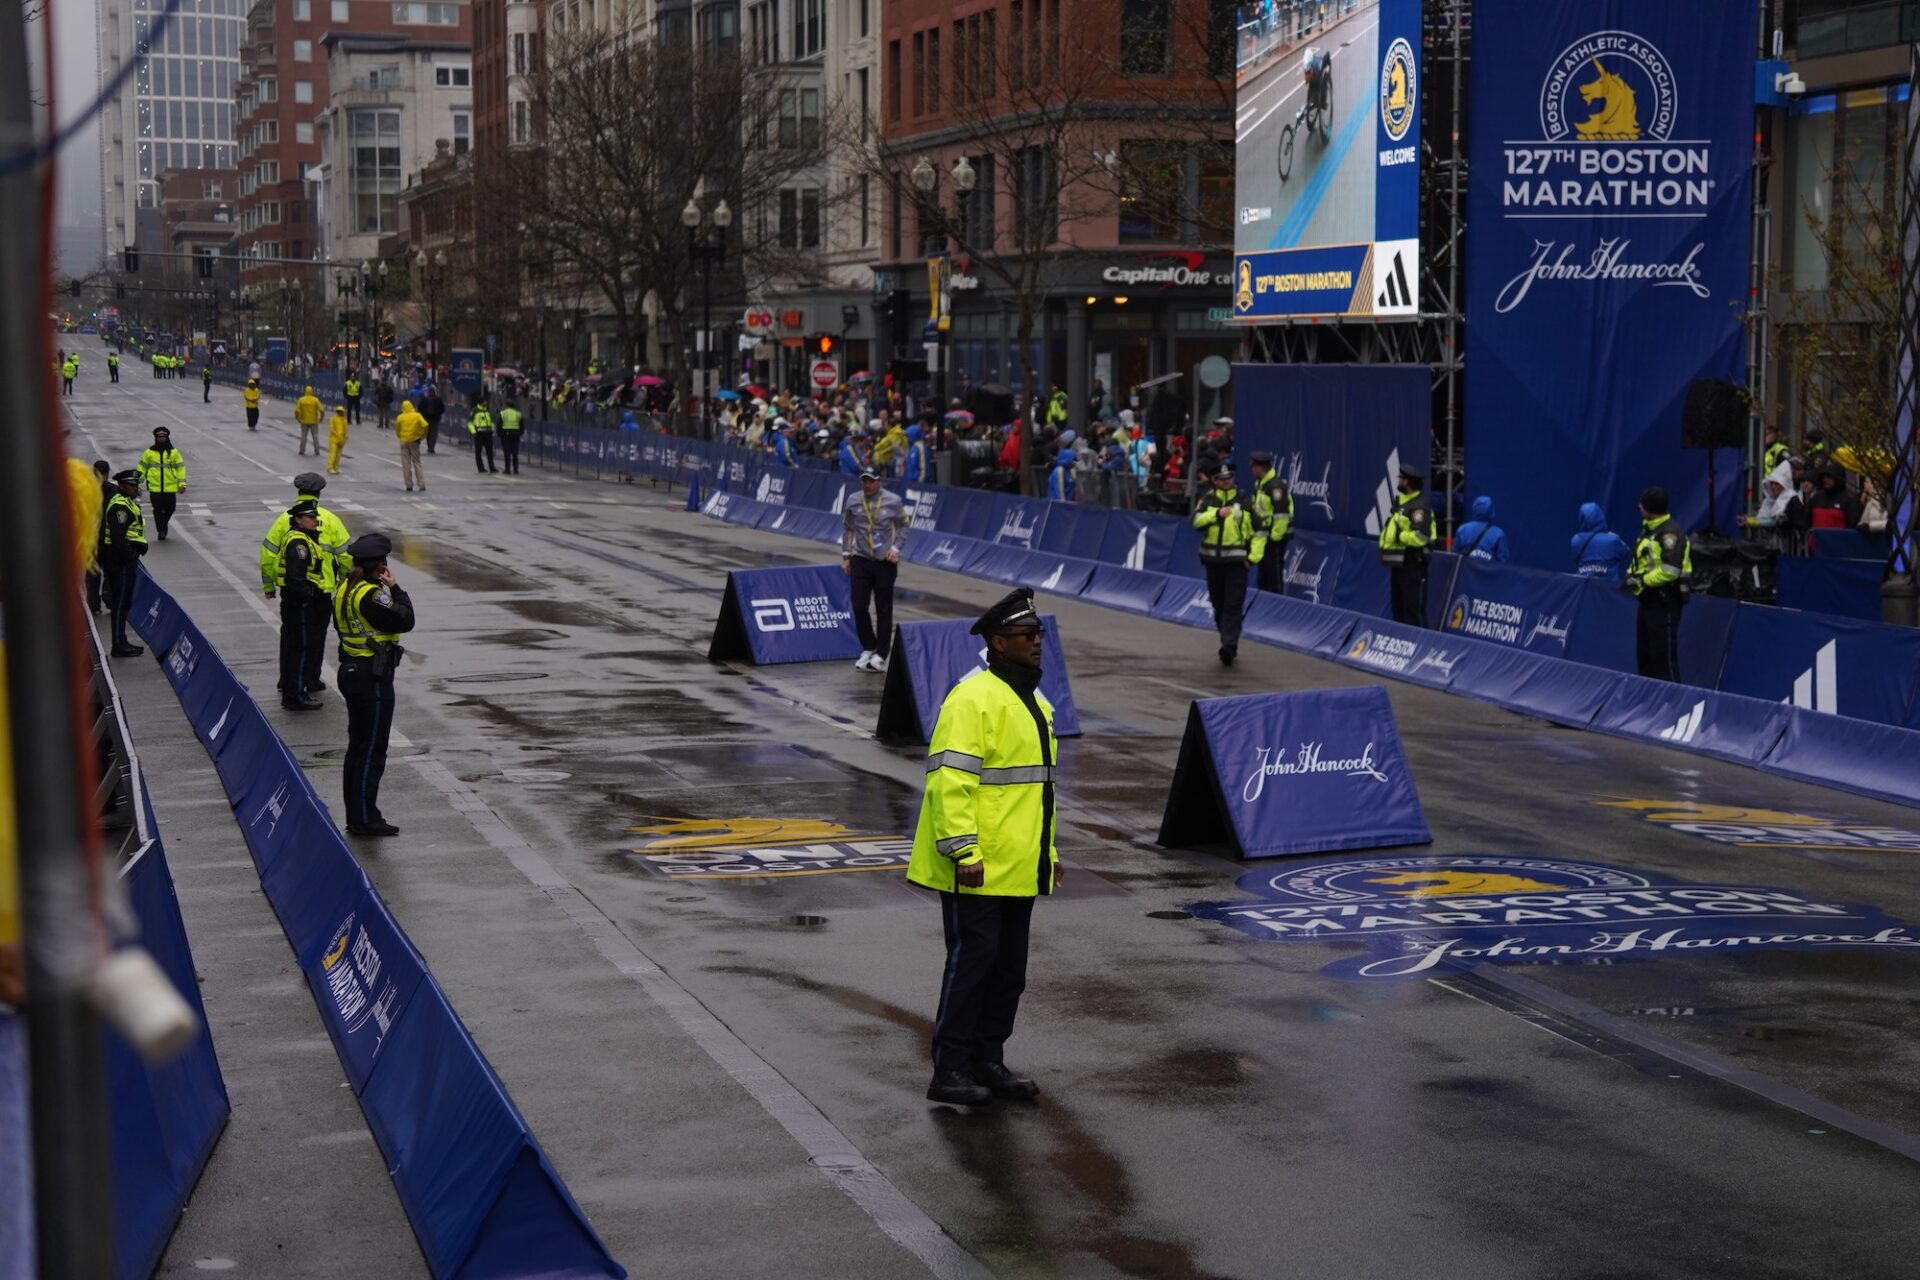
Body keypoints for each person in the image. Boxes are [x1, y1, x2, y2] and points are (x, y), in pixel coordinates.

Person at [906, 587, 1060, 1108]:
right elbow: (950, 781)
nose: (1038, 643)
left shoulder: (1036, 702)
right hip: (976, 865)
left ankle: (987, 1058)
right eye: (1026, 635)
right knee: (972, 965)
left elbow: (1040, 794)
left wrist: (1049, 856)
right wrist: (963, 851)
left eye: (1039, 634)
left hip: (1018, 865)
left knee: (1008, 970)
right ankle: (949, 1068)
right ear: (998, 642)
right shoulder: (971, 698)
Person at [333, 533, 416, 838]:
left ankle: (358, 814)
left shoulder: (346, 587)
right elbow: (405, 620)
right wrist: (396, 589)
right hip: (373, 676)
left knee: (357, 748)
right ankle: (365, 818)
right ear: (379, 564)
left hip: (352, 669)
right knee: (371, 749)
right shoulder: (371, 594)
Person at [271, 500, 333, 711]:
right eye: (310, 517)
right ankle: (296, 695)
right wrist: (308, 597)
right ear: (298, 519)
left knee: (294, 648)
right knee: (299, 649)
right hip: (300, 605)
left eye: (315, 517)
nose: (315, 520)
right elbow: (295, 578)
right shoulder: (299, 543)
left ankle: (293, 692)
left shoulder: (303, 538)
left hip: (296, 602)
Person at [842, 467, 906, 672]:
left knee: (883, 609)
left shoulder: (893, 501)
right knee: (859, 606)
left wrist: (895, 548)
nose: (867, 485)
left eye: (871, 481)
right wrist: (845, 555)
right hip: (860, 559)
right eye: (864, 481)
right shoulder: (853, 500)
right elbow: (848, 527)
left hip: (884, 562)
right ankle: (869, 646)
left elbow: (904, 524)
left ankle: (882, 655)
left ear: (880, 481)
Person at [1627, 486, 1692, 682]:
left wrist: (1642, 580)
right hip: (1647, 602)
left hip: (1665, 602)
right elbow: (1641, 561)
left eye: (1642, 504)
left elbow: (1670, 571)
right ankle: (1648, 707)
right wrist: (1631, 575)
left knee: (1664, 662)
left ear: (1650, 508)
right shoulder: (1648, 530)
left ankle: (1673, 706)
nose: (1639, 507)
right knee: (1645, 659)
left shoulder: (1670, 534)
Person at [260, 472, 352, 604]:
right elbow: (347, 558)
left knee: (292, 624)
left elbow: (267, 555)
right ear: (319, 494)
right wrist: (343, 587)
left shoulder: (285, 518)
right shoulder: (331, 520)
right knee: (317, 624)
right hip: (322, 589)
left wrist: (268, 586)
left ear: (299, 493)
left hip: (290, 590)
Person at [1377, 465, 1433, 626]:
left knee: (1412, 609)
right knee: (1398, 607)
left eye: (1401, 478)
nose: (1399, 481)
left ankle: (1418, 646)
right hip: (1398, 561)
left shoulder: (1419, 506)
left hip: (1413, 563)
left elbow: (1421, 537)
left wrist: (1398, 536)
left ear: (1408, 482)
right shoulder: (1402, 504)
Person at [100, 470, 147, 657]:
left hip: (121, 559)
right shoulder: (120, 507)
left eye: (136, 485)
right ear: (121, 486)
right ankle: (118, 644)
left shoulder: (126, 503)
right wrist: (130, 556)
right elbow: (119, 538)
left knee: (123, 602)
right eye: (132, 485)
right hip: (120, 561)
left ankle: (121, 640)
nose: (136, 488)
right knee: (120, 602)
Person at [1740, 463, 1808, 557]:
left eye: (1776, 483)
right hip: (1768, 546)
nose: (1773, 486)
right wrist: (1749, 520)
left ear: (1784, 484)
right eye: (1771, 483)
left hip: (1787, 550)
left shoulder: (1792, 499)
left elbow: (1795, 522)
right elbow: (1763, 516)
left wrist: (1757, 522)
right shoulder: (1768, 501)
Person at [1248, 451, 1292, 594]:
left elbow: (1281, 514)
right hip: (1263, 536)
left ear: (1260, 468)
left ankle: (1276, 606)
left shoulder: (1275, 487)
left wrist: (1275, 537)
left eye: (1253, 466)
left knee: (1274, 575)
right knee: (1264, 574)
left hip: (1274, 538)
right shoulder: (1260, 484)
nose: (1251, 469)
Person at [136, 426, 188, 540]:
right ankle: (161, 530)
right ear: (155, 437)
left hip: (170, 487)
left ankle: (163, 524)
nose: (161, 438)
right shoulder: (149, 453)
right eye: (159, 436)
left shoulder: (173, 452)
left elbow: (180, 469)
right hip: (155, 488)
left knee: (170, 508)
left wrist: (182, 484)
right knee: (157, 510)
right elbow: (141, 470)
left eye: (163, 436)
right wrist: (138, 485)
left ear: (167, 437)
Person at [1572, 502, 1631, 583]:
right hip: (1607, 591)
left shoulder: (1575, 540)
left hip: (1584, 589)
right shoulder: (1612, 539)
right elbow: (1626, 552)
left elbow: (1575, 559)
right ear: (1600, 517)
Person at [85, 459, 113, 614]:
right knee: (109, 572)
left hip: (92, 540)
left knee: (93, 574)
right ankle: (106, 600)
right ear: (108, 473)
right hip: (105, 540)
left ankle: (95, 604)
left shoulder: (85, 489)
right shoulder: (113, 490)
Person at [1454, 495, 1510, 562]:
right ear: (1492, 511)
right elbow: (1503, 561)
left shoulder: (1462, 530)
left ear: (1474, 508)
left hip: (1466, 571)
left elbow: (1454, 556)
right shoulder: (1498, 534)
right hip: (1488, 572)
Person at [394, 398, 428, 492]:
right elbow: (425, 425)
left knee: (406, 463)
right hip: (415, 441)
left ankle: (409, 485)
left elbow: (397, 430)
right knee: (417, 462)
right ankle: (421, 484)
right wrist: (423, 435)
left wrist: (400, 436)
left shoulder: (400, 417)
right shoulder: (417, 416)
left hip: (404, 441)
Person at [468, 398, 498, 473]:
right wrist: (474, 432)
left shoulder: (487, 411)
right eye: (485, 401)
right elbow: (469, 422)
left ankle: (492, 467)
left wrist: (493, 429)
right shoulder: (474, 410)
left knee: (490, 452)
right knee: (478, 452)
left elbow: (491, 422)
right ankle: (481, 468)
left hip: (488, 434)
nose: (486, 402)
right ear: (481, 402)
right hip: (479, 434)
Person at [294, 384, 324, 455]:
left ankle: (302, 450)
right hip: (314, 421)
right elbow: (322, 410)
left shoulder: (301, 400)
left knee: (303, 436)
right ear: (312, 391)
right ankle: (317, 450)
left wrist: (298, 418)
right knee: (315, 436)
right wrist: (321, 418)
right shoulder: (315, 400)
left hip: (304, 421)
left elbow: (296, 410)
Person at [499, 399, 523, 475]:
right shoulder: (518, 414)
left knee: (507, 453)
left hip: (506, 435)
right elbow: (522, 425)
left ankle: (507, 469)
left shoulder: (503, 413)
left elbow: (499, 425)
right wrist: (519, 433)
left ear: (506, 405)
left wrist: (500, 434)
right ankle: (516, 470)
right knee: (515, 453)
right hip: (516, 435)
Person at [421, 384, 445, 455]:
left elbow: (420, 408)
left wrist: (423, 415)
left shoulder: (424, 399)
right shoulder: (438, 399)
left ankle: (429, 447)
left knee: (428, 434)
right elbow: (443, 408)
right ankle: (432, 447)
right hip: (435, 419)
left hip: (426, 419)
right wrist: (438, 414)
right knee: (433, 434)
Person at [327, 403, 349, 475]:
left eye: (341, 411)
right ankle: (330, 468)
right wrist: (338, 436)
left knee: (338, 455)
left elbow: (345, 430)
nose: (340, 412)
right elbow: (332, 429)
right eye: (339, 411)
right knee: (333, 454)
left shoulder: (344, 420)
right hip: (334, 440)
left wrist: (345, 439)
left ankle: (336, 468)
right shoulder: (333, 419)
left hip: (341, 440)